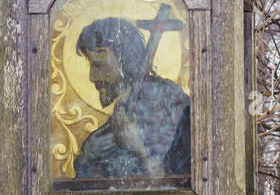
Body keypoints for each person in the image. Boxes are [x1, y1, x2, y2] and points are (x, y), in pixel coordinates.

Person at [72, 17, 191, 178]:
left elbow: (166, 175)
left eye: (98, 64)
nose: (92, 77)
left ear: (124, 60)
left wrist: (136, 146)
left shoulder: (162, 97)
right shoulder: (125, 107)